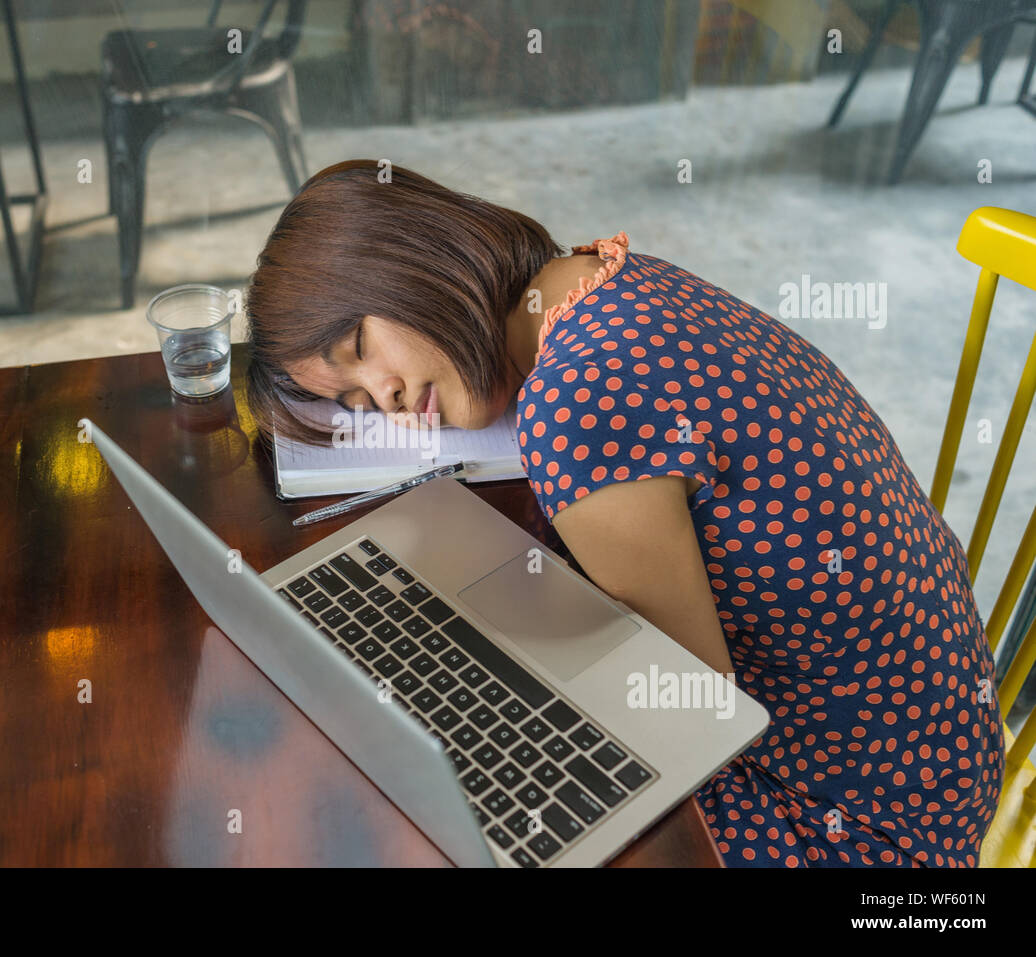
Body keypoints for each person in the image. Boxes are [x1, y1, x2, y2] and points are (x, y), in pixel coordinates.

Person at [244, 159, 1006, 866]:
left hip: (868, 830)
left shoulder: (576, 400)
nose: (387, 397)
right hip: (942, 753)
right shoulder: (602, 276)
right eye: (354, 401)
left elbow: (688, 710)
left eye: (359, 346)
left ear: (411, 258)